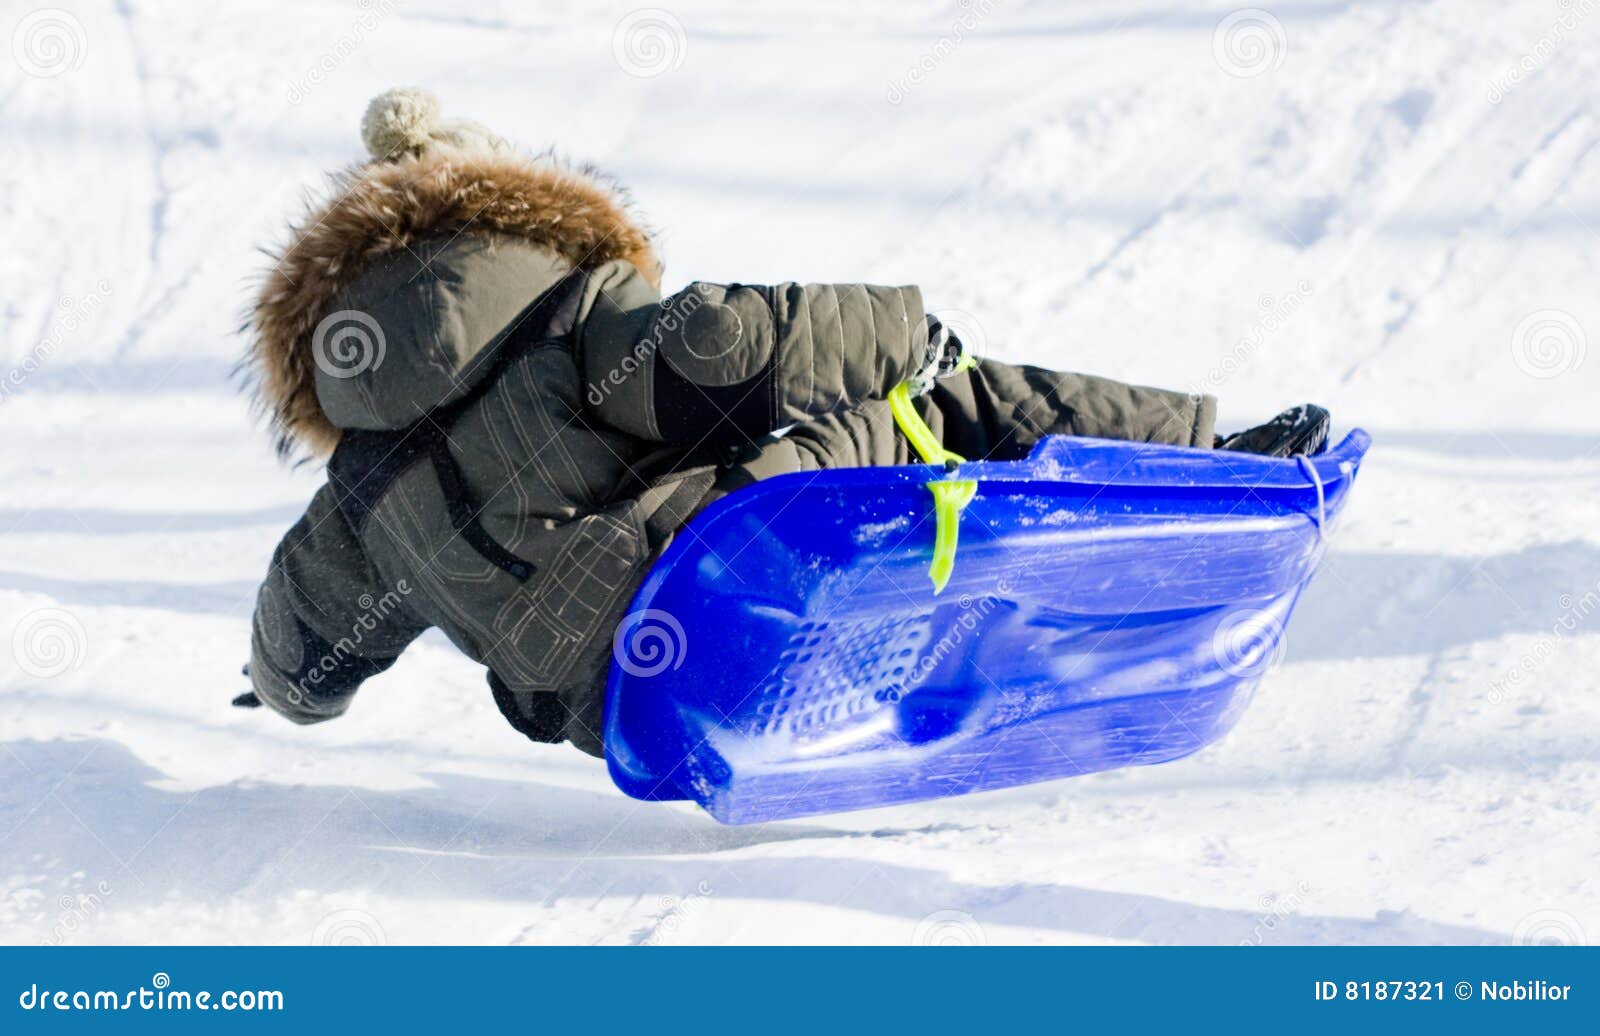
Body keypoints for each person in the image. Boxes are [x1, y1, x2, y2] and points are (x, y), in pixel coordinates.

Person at [235, 89, 1330, 755]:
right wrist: (908, 336)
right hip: (716, 587)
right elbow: (732, 343)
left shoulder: (363, 492)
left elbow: (304, 637)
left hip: (613, 706)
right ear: (499, 211)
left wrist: (278, 689)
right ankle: (1205, 462)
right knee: (946, 404)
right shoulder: (572, 320)